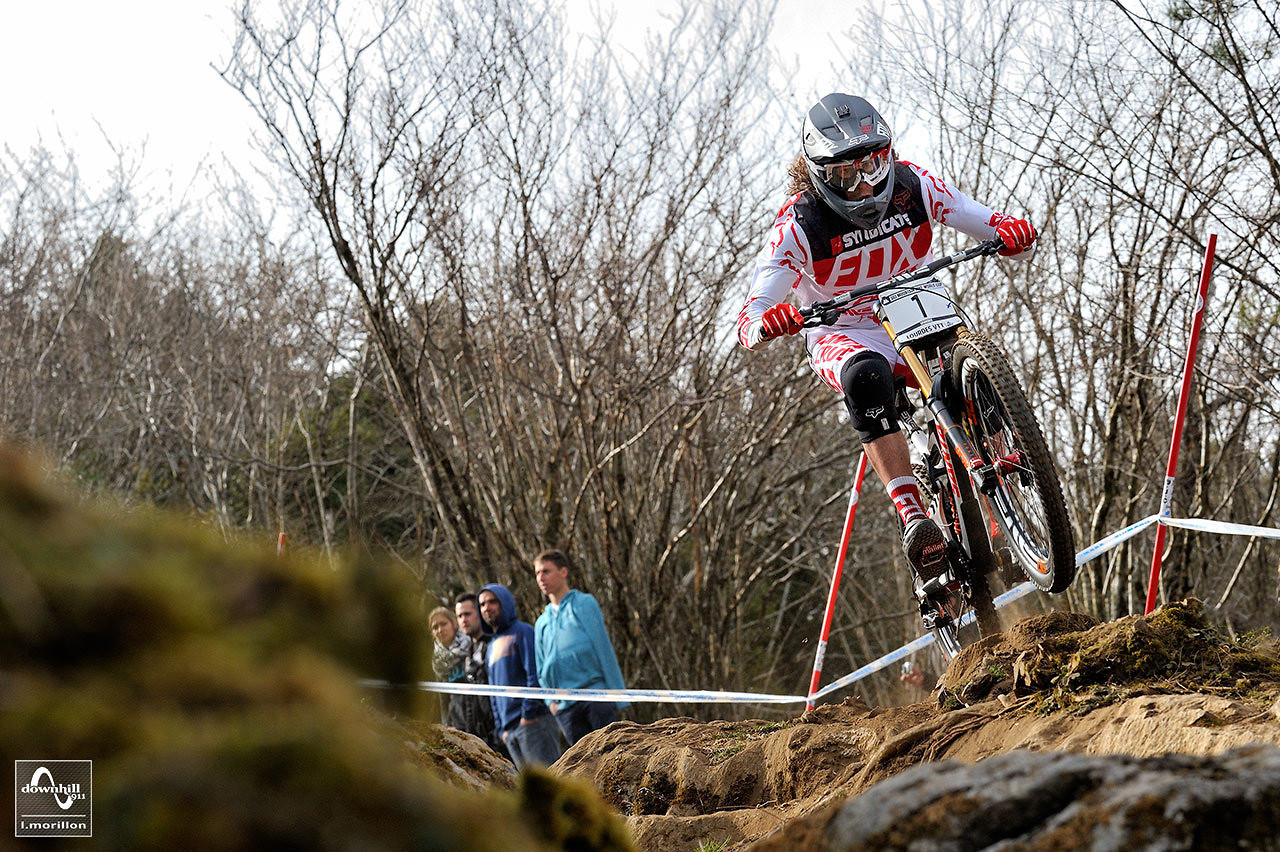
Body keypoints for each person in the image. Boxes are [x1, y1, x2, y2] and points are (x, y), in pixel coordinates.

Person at [736, 93, 1036, 597]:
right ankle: (912, 513)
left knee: (961, 364)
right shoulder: (798, 225)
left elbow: (975, 215)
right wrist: (769, 322)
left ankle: (1008, 470)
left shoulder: (914, 184)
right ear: (819, 174)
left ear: (888, 153)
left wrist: (1009, 229)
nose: (865, 183)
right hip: (844, 328)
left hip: (912, 300)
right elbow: (750, 313)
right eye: (846, 174)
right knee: (867, 378)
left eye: (874, 164)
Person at [532, 550, 628, 746]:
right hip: (565, 707)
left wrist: (617, 695)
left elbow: (604, 649)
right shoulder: (541, 622)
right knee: (583, 767)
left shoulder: (584, 603)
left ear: (563, 572)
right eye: (537, 573)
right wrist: (550, 702)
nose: (541, 578)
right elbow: (541, 666)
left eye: (546, 571)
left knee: (613, 755)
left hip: (595, 696)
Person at [478, 583, 563, 769]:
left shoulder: (523, 632)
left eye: (493, 602)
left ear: (505, 603)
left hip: (534, 723)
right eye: (482, 604)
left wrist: (528, 714)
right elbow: (494, 692)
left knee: (552, 783)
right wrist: (502, 729)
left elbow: (535, 674)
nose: (487, 608)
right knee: (532, 793)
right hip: (510, 732)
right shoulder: (491, 647)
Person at [452, 593, 507, 757]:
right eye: (459, 616)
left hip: (503, 732)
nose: (464, 620)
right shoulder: (467, 651)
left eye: (467, 614)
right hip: (481, 737)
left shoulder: (495, 644)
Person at [429, 606, 471, 726]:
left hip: (477, 719)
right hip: (454, 722)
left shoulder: (470, 644)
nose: (440, 630)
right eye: (435, 627)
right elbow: (443, 699)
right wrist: (446, 725)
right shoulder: (437, 660)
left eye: (443, 624)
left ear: (454, 624)